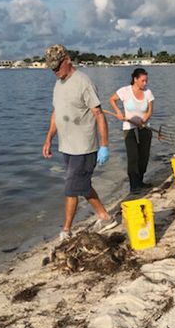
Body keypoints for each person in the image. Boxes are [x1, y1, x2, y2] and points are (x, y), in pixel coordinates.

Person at [41, 44, 119, 241]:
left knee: (71, 188)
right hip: (67, 146)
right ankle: (105, 217)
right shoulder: (58, 84)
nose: (55, 71)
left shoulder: (84, 82)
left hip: (84, 147)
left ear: (67, 60)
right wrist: (49, 138)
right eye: (52, 68)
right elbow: (56, 113)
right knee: (82, 185)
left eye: (57, 66)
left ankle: (66, 230)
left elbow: (99, 115)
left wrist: (104, 145)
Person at [108, 68, 154, 192]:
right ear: (135, 79)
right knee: (133, 157)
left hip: (145, 128)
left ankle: (140, 181)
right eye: (143, 81)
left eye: (146, 81)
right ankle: (133, 186)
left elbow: (150, 109)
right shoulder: (125, 91)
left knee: (144, 157)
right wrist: (118, 112)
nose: (145, 83)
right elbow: (112, 99)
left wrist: (145, 119)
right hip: (129, 129)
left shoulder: (148, 92)